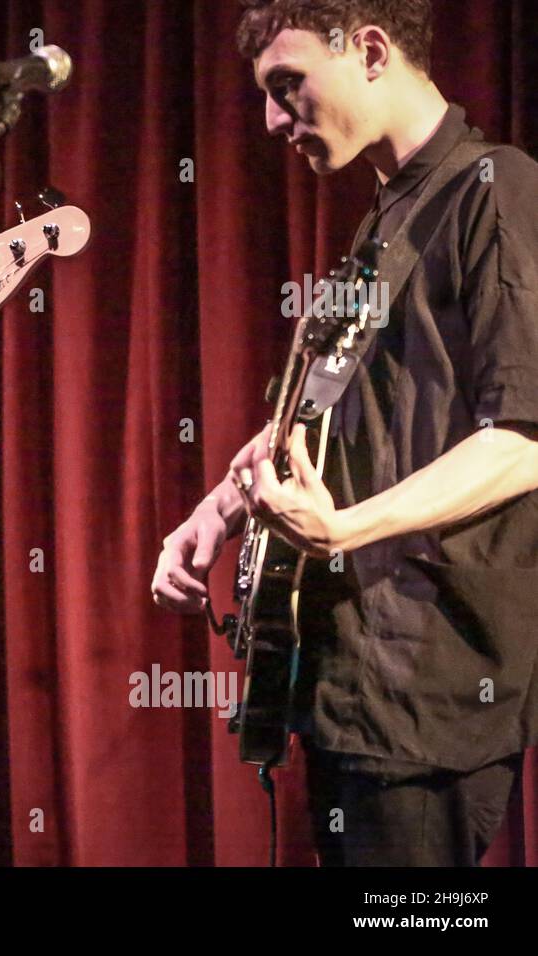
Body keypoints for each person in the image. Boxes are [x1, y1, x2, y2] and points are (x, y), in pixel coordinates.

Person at [153, 0, 538, 865]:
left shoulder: (497, 188)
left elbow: (525, 437)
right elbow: (327, 422)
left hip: (424, 689)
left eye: (287, 86)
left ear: (368, 50)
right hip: (349, 682)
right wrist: (218, 509)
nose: (272, 119)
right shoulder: (383, 223)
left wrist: (344, 530)